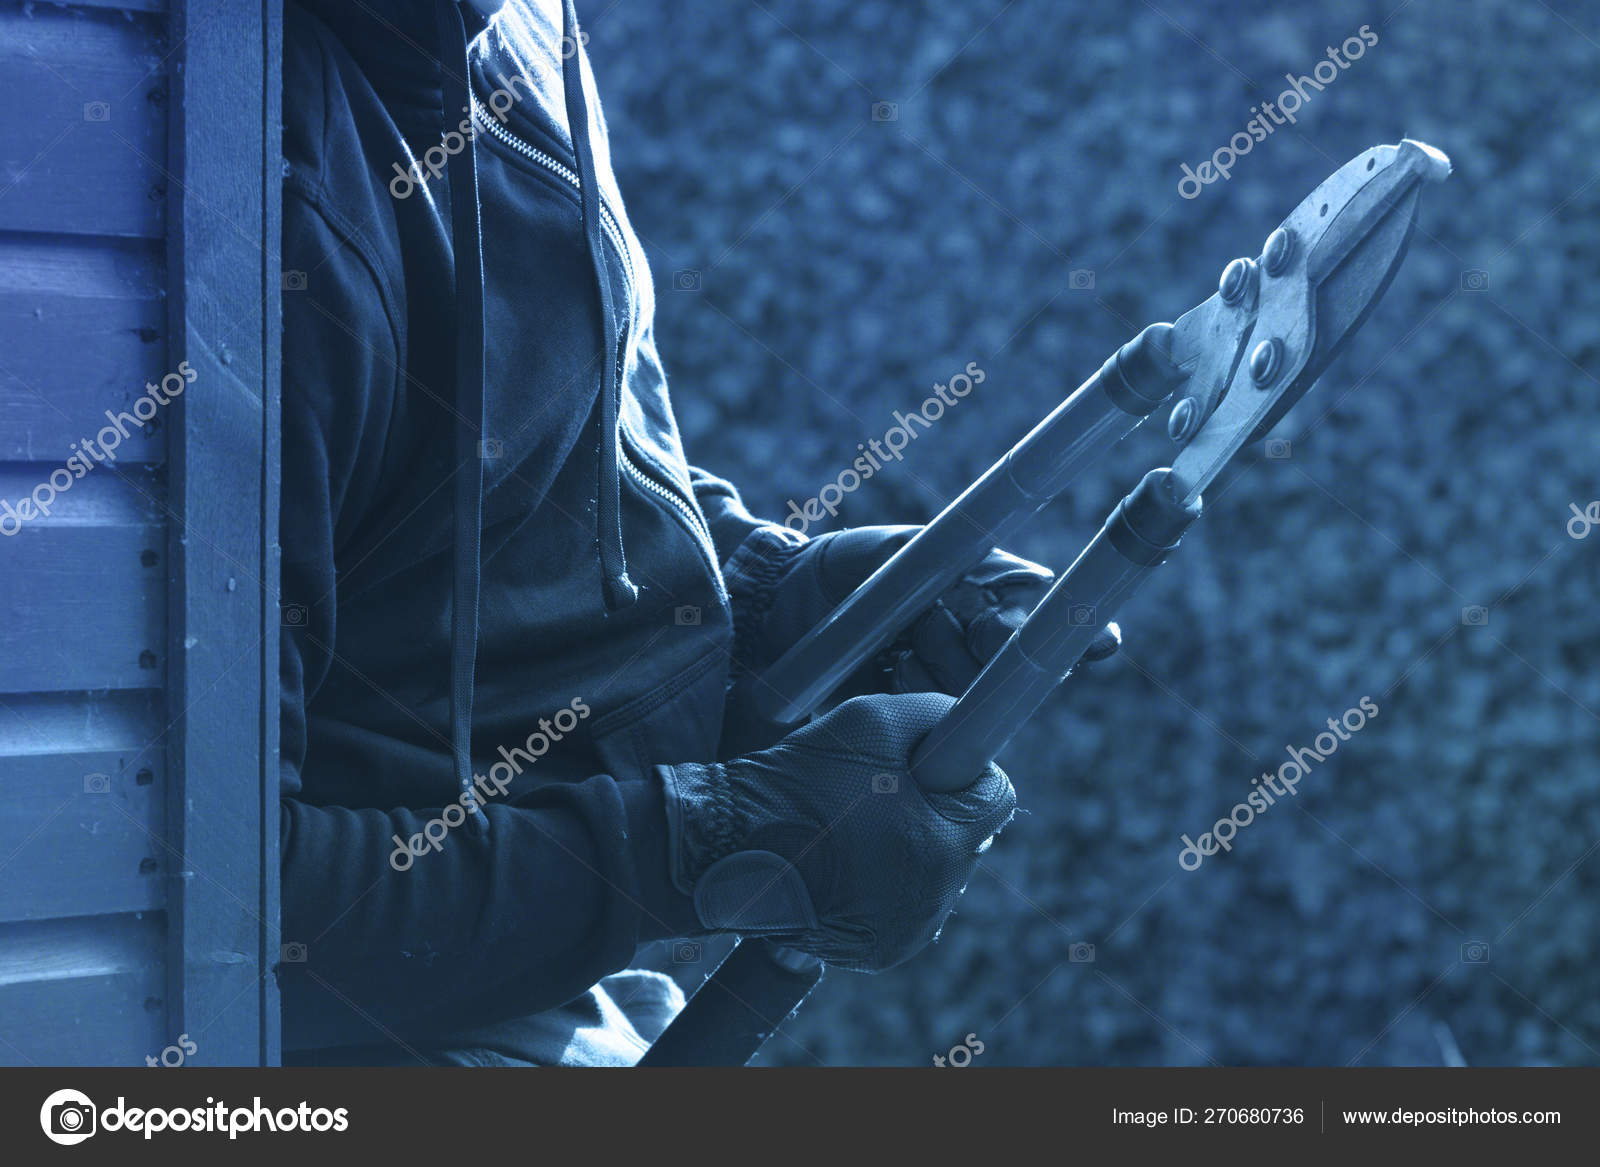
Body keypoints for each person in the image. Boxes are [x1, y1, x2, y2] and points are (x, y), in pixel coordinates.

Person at [279, 0, 1101, 1065]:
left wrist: (760, 592)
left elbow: (558, 448)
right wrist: (699, 845)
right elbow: (236, 924)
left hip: (563, 1007)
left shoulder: (523, 29)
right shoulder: (257, 205)